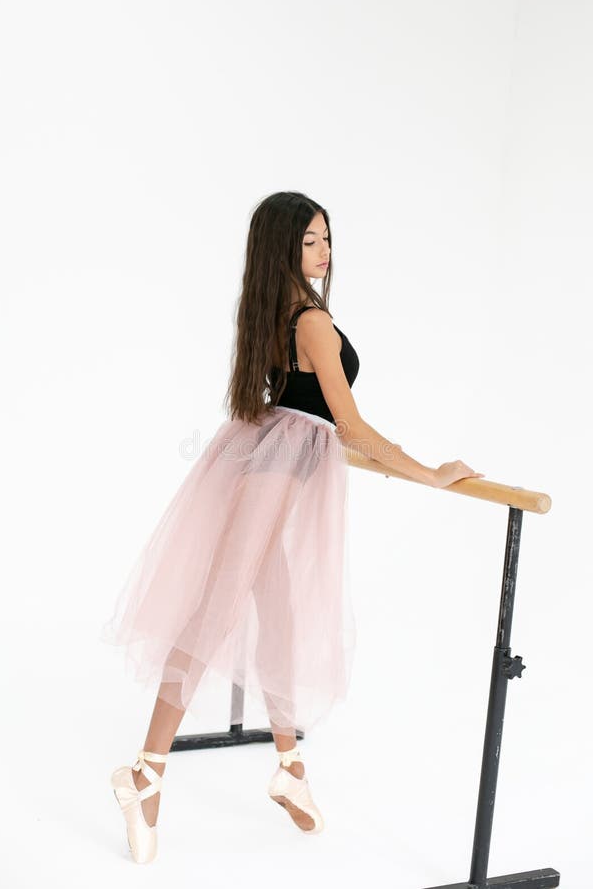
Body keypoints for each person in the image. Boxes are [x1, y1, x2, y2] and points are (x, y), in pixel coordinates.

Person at [101, 190, 484, 863]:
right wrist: (430, 473)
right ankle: (145, 773)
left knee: (276, 617)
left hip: (267, 466)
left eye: (327, 239)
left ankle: (290, 768)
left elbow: (319, 418)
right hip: (273, 475)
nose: (325, 251)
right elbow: (352, 424)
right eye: (310, 240)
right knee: (214, 612)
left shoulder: (273, 310)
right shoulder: (308, 321)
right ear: (282, 247)